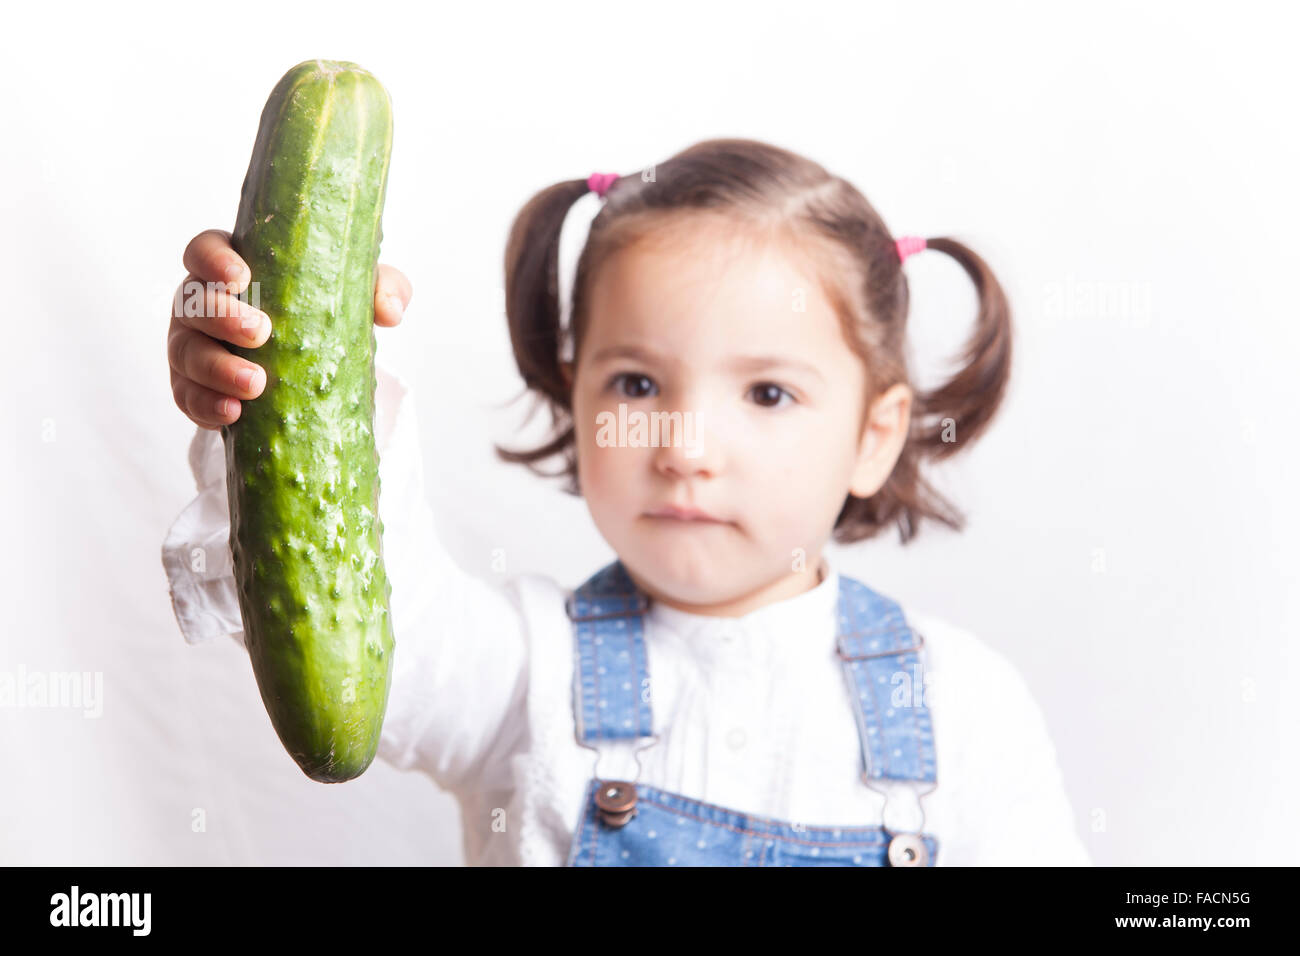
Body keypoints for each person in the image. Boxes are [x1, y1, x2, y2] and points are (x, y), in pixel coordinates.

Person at [162, 137, 1090, 866]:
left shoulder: (966, 709)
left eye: (767, 395)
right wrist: (284, 361)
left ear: (875, 435)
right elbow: (339, 598)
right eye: (638, 385)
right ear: (575, 395)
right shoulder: (521, 671)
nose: (683, 449)